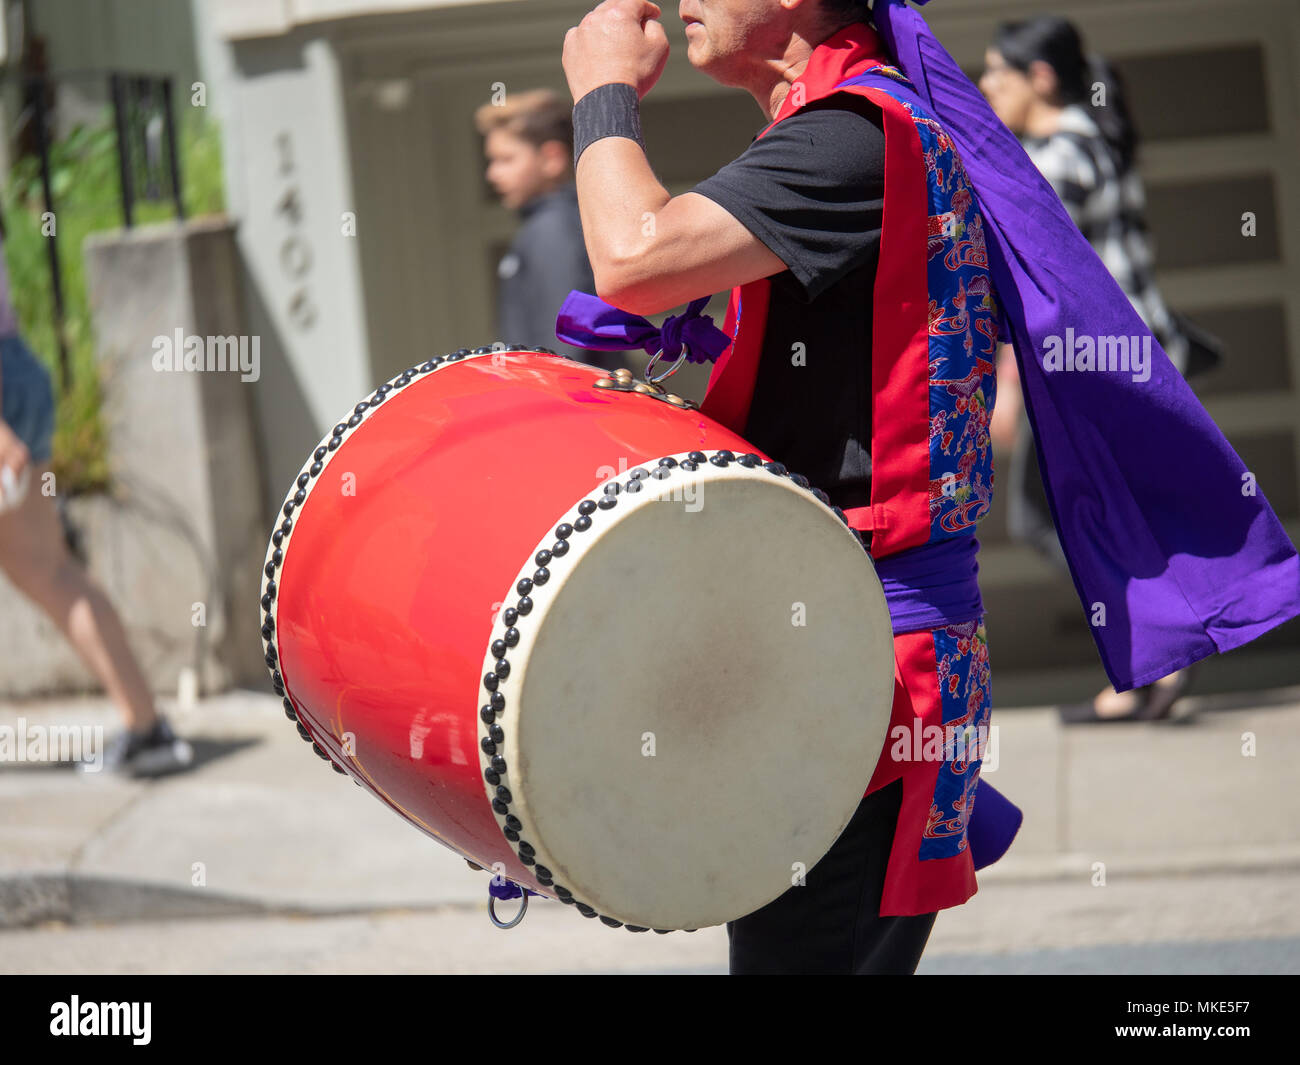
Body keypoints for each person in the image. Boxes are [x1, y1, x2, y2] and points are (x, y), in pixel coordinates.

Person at [550, 0, 1299, 974]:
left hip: (863, 684)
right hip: (851, 669)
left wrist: (602, 93)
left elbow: (634, 258)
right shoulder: (859, 126)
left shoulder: (852, 136)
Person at [979, 17, 1192, 724]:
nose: (984, 87)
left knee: (1048, 519)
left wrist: (1008, 387)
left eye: (997, 74)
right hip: (1131, 364)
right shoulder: (1095, 141)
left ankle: (1155, 658)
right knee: (1095, 520)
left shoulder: (1054, 159)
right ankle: (1156, 658)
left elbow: (1042, 289)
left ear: (1040, 79)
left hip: (1088, 375)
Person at [0, 222, 192, 776]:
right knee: (51, 571)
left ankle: (146, 728)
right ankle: (147, 728)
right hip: (17, 370)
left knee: (49, 571)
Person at [474, 88, 625, 372]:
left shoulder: (552, 229)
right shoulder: (558, 223)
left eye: (506, 159)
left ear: (551, 158)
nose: (492, 174)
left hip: (566, 408)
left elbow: (562, 353)